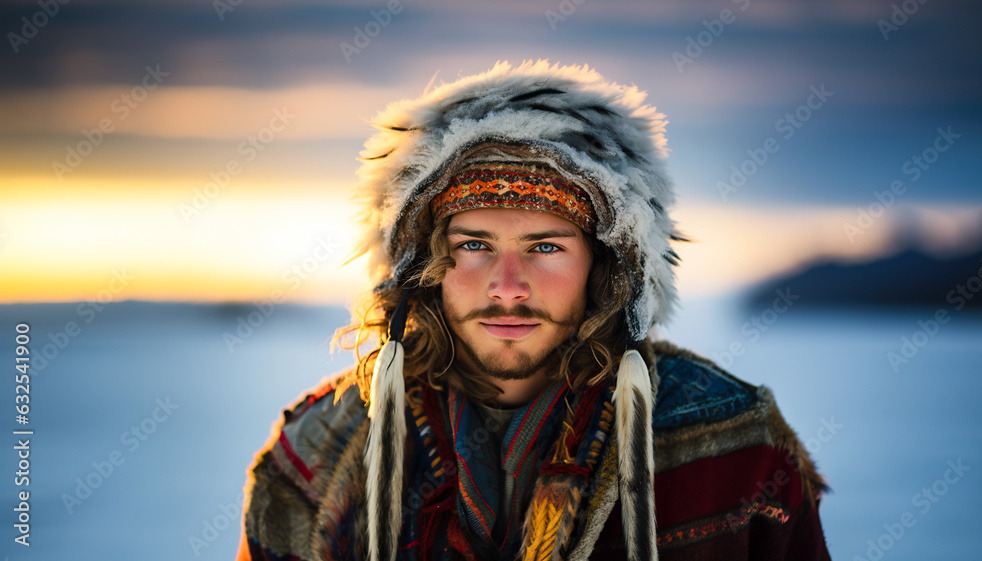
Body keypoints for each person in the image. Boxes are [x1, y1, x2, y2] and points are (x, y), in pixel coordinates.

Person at [237, 60, 831, 561]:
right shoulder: (320, 448)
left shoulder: (732, 444)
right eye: (474, 245)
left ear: (607, 264)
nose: (508, 287)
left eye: (545, 247)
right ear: (421, 264)